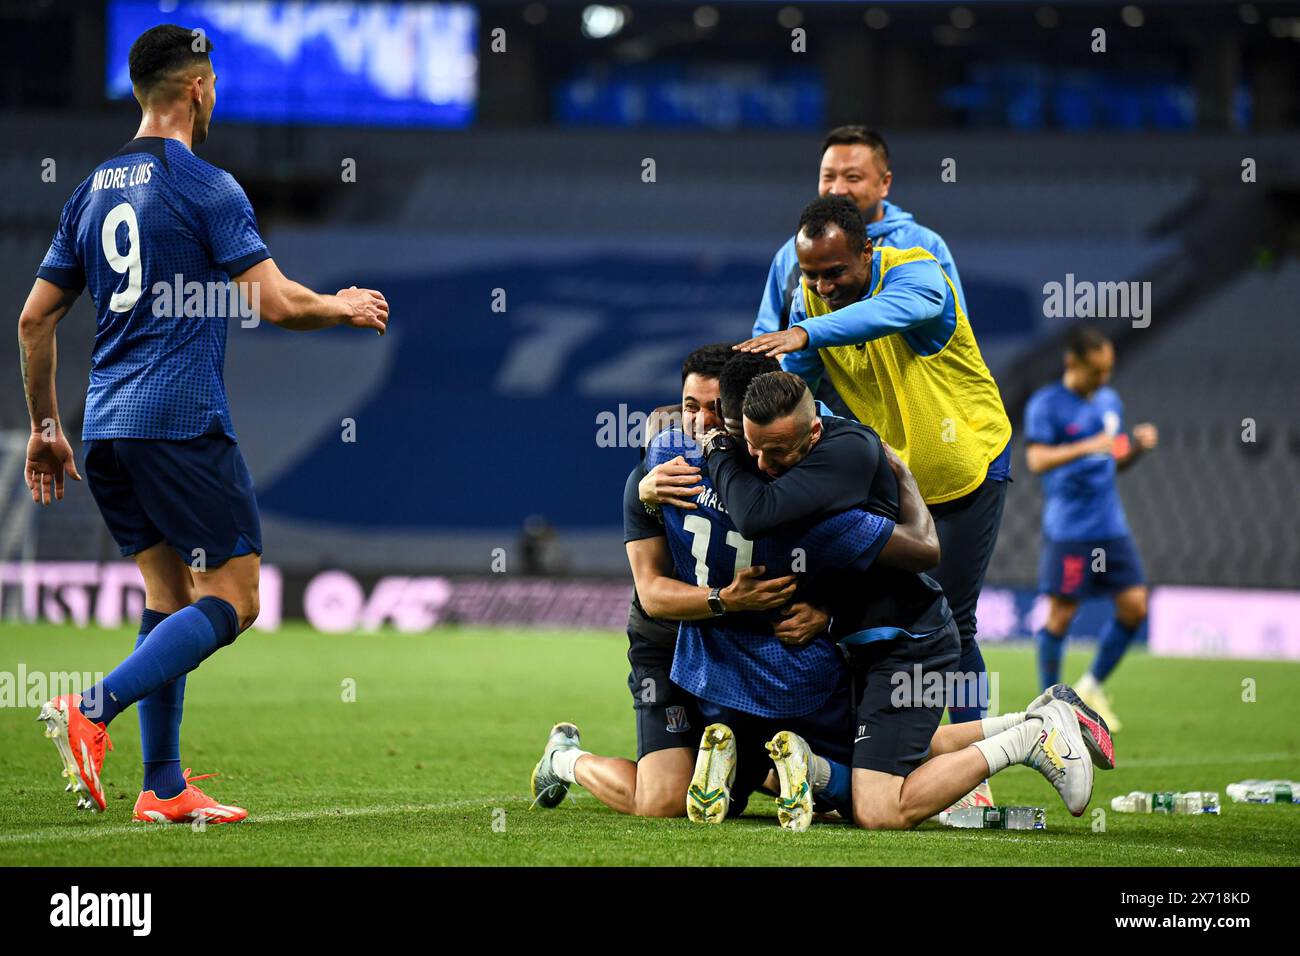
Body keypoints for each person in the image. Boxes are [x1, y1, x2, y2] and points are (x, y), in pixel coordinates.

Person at [21, 23, 388, 822]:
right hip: (180, 423)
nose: (214, 95)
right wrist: (341, 304)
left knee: (168, 592)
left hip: (104, 428)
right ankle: (92, 707)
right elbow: (276, 302)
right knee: (237, 598)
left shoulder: (88, 191)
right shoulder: (205, 185)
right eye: (213, 83)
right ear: (196, 89)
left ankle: (162, 787)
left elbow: (32, 321)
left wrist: (46, 428)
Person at [699, 372, 1112, 828]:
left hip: (907, 642)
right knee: (893, 754)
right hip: (865, 642)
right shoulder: (802, 457)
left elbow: (760, 515)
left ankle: (1032, 739)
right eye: (752, 448)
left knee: (879, 809)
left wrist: (716, 450)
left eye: (775, 452)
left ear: (812, 433)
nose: (760, 464)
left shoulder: (841, 458)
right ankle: (1040, 716)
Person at [1025, 326, 1158, 732]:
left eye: (1108, 370)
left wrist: (1133, 448)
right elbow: (1036, 460)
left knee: (1135, 607)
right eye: (1096, 371)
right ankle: (1050, 708)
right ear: (1072, 363)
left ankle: (1091, 685)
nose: (1104, 379)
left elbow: (1110, 458)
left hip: (1110, 526)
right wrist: (1088, 445)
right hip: (1071, 531)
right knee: (1061, 616)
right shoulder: (1046, 404)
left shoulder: (1109, 400)